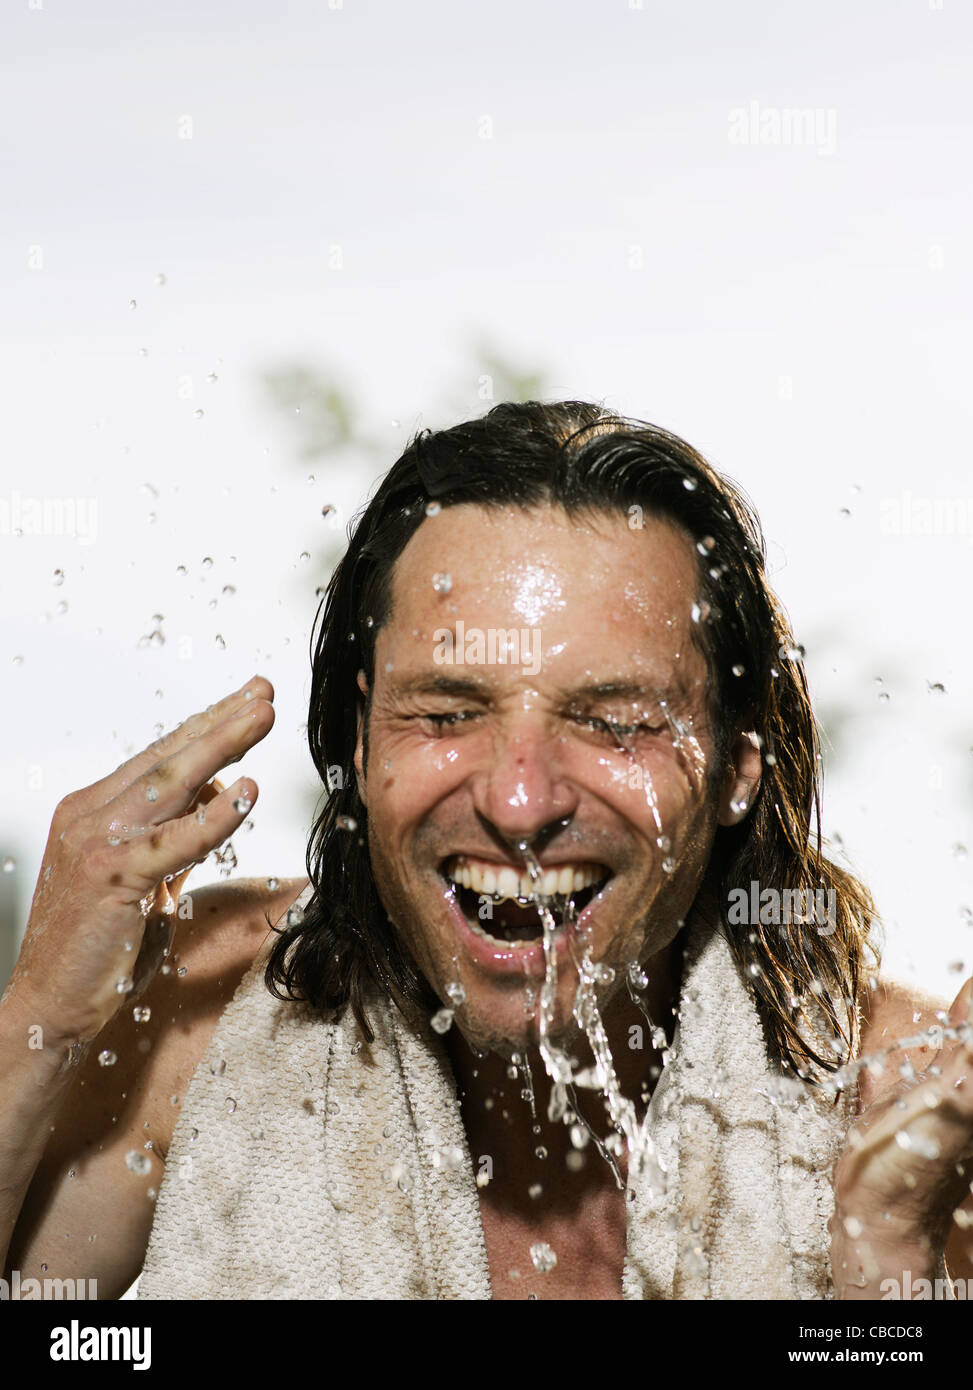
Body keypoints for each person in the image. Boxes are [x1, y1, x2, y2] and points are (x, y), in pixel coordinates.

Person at [3, 400, 972, 1301]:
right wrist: (38, 1013)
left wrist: (882, 1264)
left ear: (733, 773)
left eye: (614, 722)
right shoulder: (197, 1018)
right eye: (446, 712)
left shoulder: (908, 1107)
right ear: (359, 742)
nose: (519, 798)